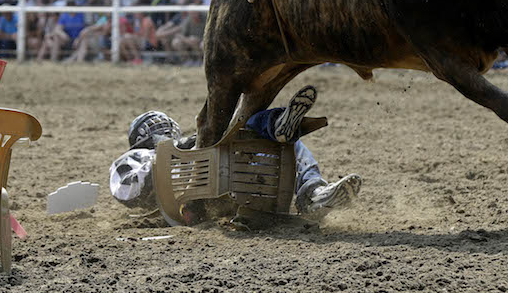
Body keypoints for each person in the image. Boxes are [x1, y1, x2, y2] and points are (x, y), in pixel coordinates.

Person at [109, 86, 362, 220]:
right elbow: (130, 188)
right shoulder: (134, 161)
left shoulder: (189, 147)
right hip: (206, 197)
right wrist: (176, 146)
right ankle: (279, 131)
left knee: (269, 135)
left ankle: (313, 191)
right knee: (249, 127)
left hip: (235, 186)